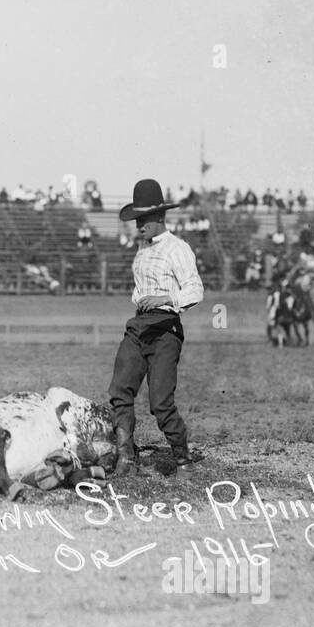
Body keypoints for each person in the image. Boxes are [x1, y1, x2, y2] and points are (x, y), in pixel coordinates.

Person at [107, 179, 204, 478]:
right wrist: (142, 300)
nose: (139, 226)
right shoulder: (142, 250)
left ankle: (183, 459)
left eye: (143, 219)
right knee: (119, 391)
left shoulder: (178, 249)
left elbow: (195, 290)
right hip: (139, 326)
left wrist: (165, 299)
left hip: (164, 329)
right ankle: (126, 458)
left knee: (160, 403)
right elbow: (140, 290)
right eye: (136, 220)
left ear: (159, 217)